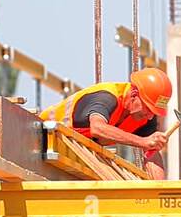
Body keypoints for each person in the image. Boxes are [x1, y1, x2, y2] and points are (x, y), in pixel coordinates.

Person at [40, 67, 173, 180]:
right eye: (148, 108)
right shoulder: (107, 97)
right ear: (133, 94)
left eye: (154, 112)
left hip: (73, 156)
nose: (150, 117)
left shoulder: (144, 117)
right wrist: (143, 141)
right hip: (41, 139)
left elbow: (152, 153)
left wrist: (159, 191)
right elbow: (97, 128)